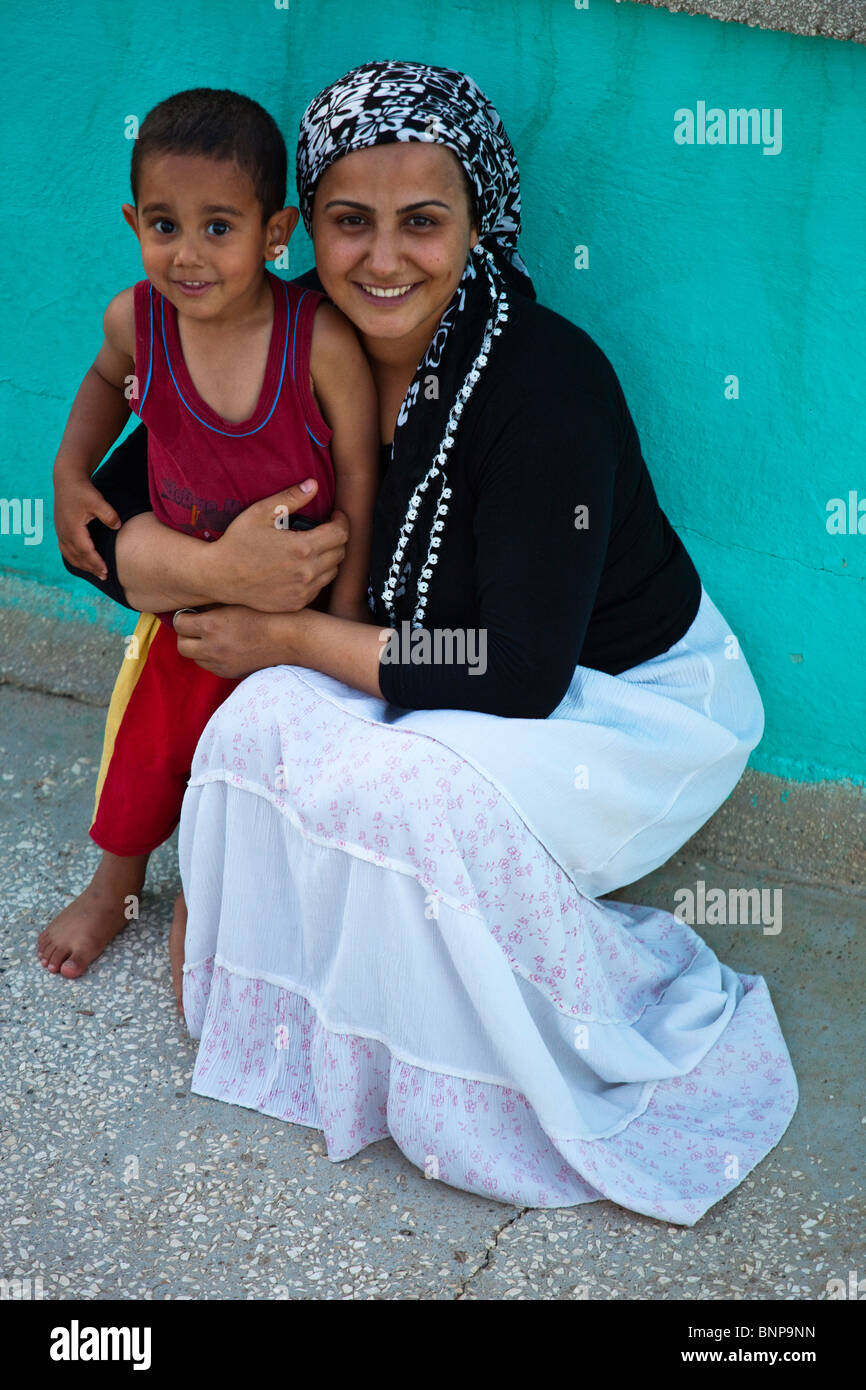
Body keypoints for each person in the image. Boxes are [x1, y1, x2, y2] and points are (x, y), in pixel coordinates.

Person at [55, 61, 797, 1224]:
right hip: (399, 649)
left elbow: (516, 671)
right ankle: (302, 1005)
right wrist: (211, 572)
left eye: (422, 221)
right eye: (351, 221)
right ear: (305, 229)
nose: (383, 258)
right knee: (253, 720)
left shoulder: (543, 383)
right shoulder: (276, 338)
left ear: (477, 224)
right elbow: (101, 538)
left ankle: (480, 1067)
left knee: (399, 790)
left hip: (611, 703)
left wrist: (286, 628)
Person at [38, 87, 379, 978]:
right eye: (164, 225)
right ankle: (115, 886)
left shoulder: (317, 342)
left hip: (295, 612)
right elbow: (104, 383)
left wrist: (343, 616)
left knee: (262, 768)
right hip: (186, 606)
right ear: (133, 223)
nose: (187, 254)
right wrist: (71, 474)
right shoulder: (137, 323)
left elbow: (360, 474)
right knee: (146, 750)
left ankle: (220, 892)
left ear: (276, 234)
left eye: (218, 228)